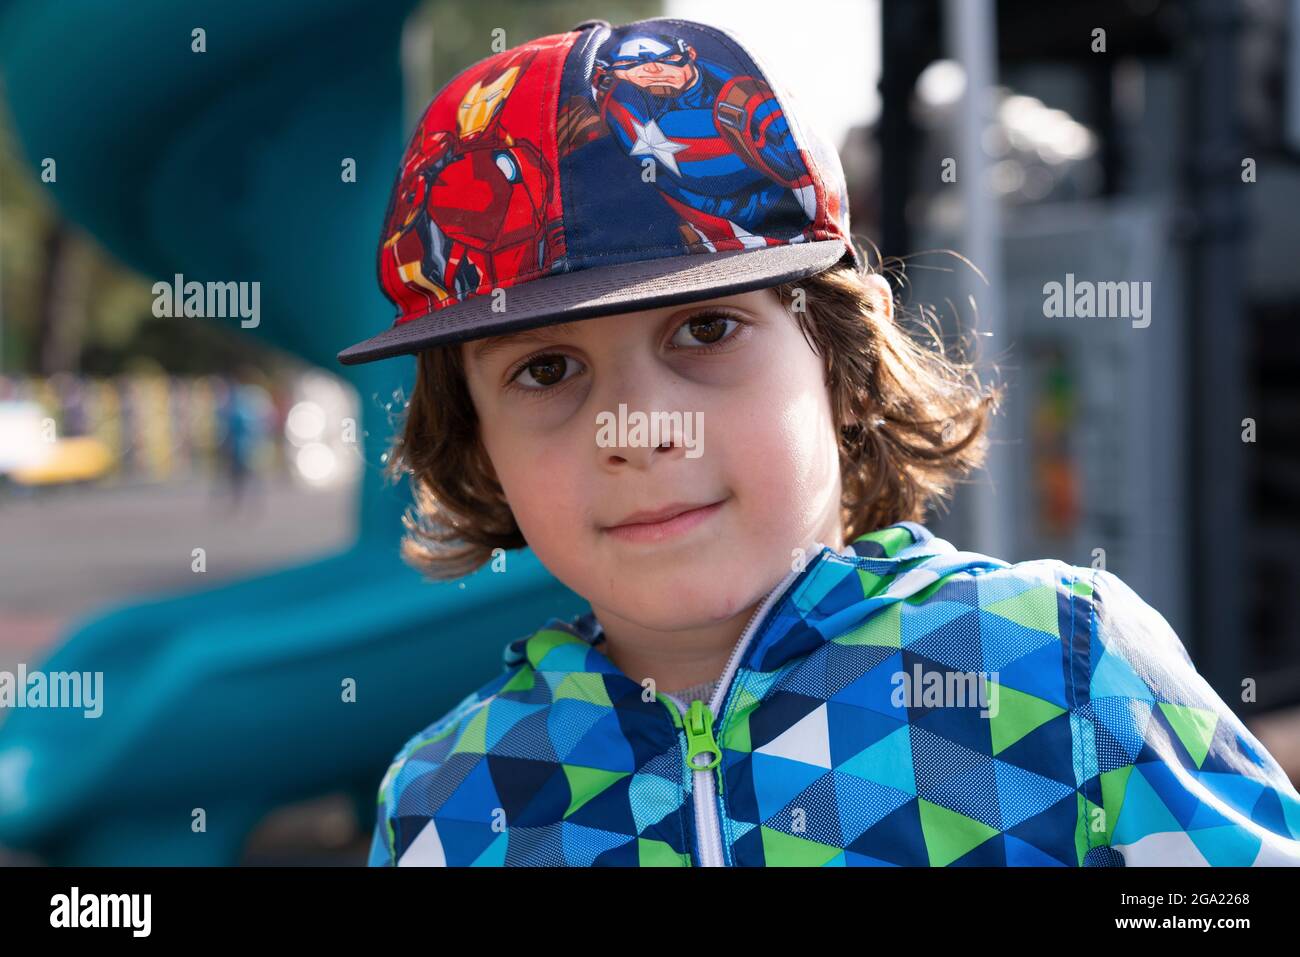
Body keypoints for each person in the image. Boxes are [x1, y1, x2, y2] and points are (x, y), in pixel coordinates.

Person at [337, 17, 1300, 866]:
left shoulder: (1057, 669)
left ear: (844, 361)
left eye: (705, 330)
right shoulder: (446, 803)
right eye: (546, 370)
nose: (637, 428)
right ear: (472, 440)